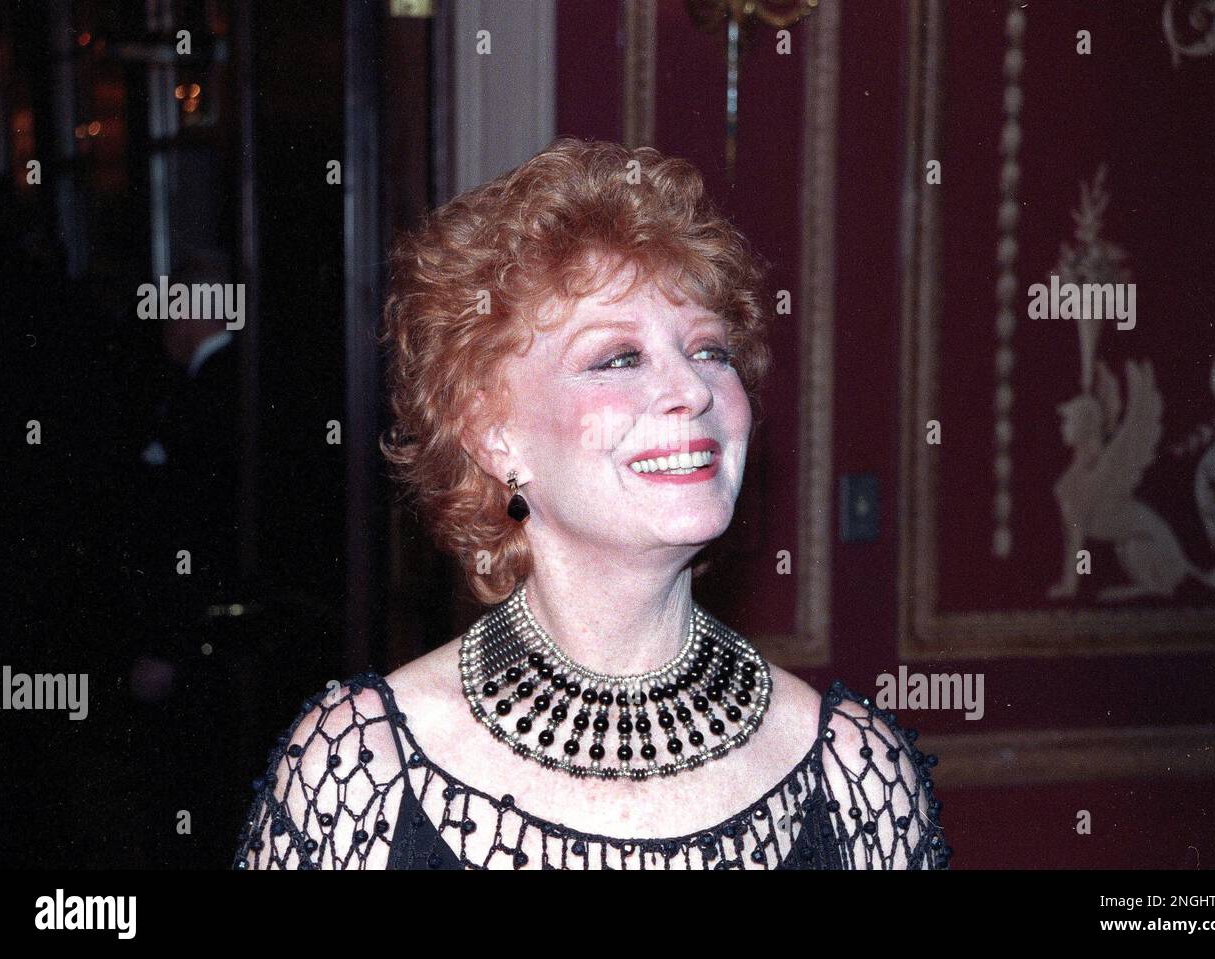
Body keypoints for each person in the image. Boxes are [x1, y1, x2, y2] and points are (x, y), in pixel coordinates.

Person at [232, 137, 950, 870]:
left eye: (710, 350)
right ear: (491, 434)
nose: (694, 390)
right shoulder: (361, 770)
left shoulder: (855, 774)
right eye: (619, 358)